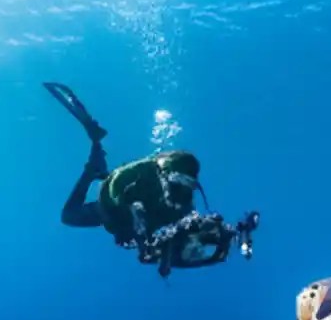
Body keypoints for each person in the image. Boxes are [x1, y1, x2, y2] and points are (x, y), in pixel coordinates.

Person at [45, 82, 259, 277]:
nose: (180, 191)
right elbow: (116, 186)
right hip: (113, 209)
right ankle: (93, 167)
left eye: (187, 185)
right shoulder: (144, 172)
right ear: (166, 176)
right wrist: (132, 213)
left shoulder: (184, 203)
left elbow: (184, 226)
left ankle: (96, 166)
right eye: (178, 183)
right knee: (68, 216)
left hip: (129, 223)